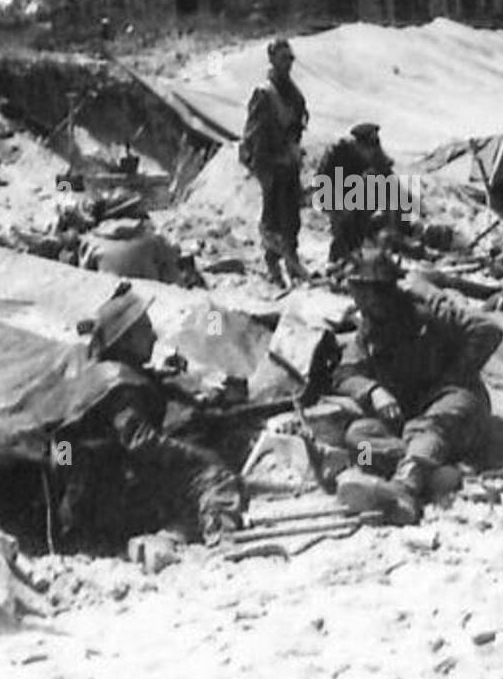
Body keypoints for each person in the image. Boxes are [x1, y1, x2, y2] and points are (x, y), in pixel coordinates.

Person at [49, 282, 245, 549]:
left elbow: (65, 446)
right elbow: (141, 442)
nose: (153, 337)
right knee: (214, 474)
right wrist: (197, 456)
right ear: (126, 339)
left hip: (82, 498)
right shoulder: (121, 386)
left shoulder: (97, 373)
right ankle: (222, 538)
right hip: (103, 504)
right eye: (145, 331)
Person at [330, 249, 503, 524]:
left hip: (453, 406)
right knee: (357, 438)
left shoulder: (425, 310)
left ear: (379, 290)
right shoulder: (370, 327)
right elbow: (345, 373)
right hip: (409, 415)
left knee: (431, 426)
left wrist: (455, 375)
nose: (355, 297)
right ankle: (432, 470)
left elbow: (488, 330)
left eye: (360, 290)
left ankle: (405, 492)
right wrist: (374, 391)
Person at [240, 39, 309, 284]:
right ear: (272, 60)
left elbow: (298, 126)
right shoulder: (265, 93)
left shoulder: (294, 93)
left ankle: (292, 259)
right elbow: (254, 133)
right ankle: (273, 266)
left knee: (292, 215)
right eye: (283, 59)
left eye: (290, 59)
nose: (287, 64)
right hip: (270, 163)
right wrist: (260, 165)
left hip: (288, 162)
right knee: (272, 217)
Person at [315, 122, 397, 264]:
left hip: (356, 194)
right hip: (334, 193)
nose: (370, 154)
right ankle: (338, 258)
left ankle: (359, 247)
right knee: (343, 223)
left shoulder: (375, 154)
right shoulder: (336, 153)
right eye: (367, 150)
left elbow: (388, 178)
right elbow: (322, 184)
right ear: (358, 145)